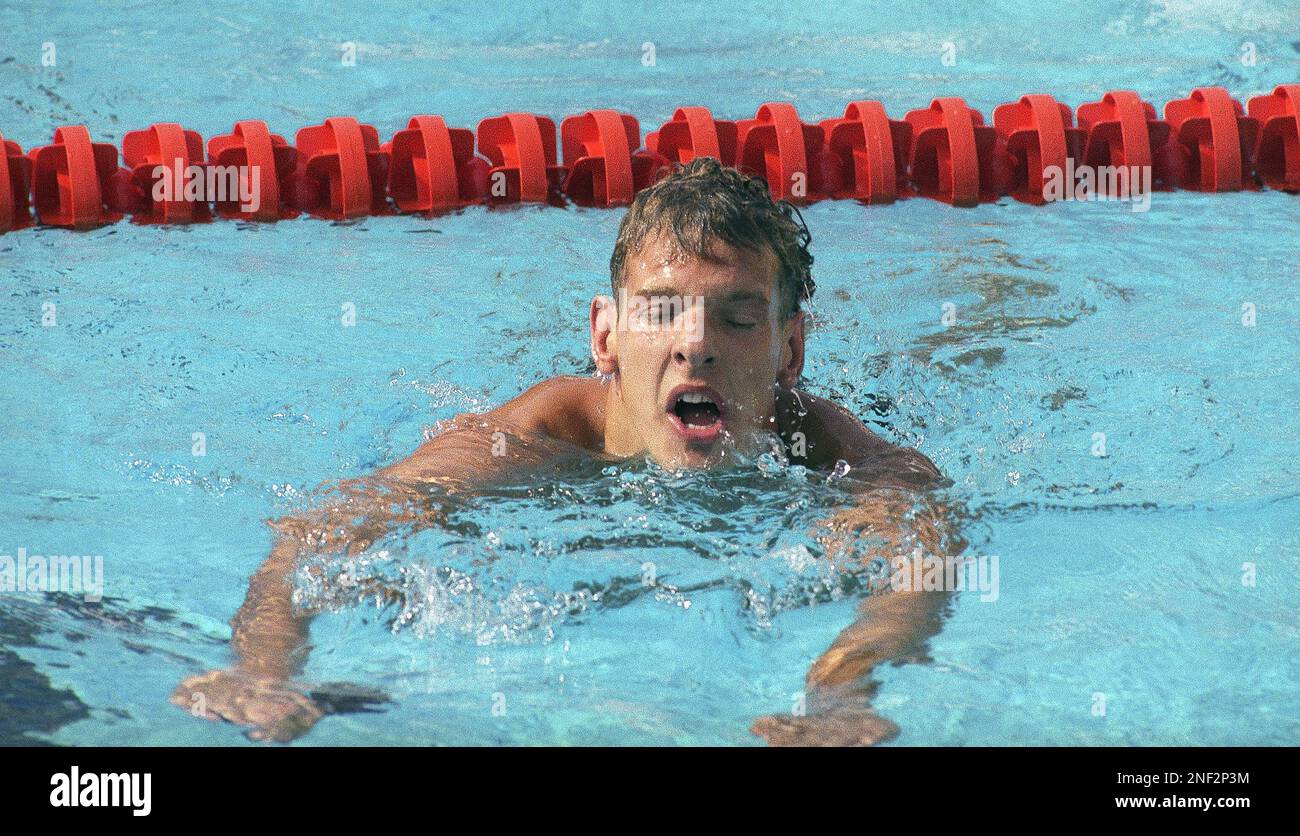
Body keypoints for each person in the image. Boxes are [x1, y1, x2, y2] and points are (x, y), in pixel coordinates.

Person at [172, 156, 960, 745]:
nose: (696, 346)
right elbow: (323, 530)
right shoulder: (534, 440)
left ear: (790, 351)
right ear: (605, 336)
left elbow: (919, 561)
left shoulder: (828, 449)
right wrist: (263, 671)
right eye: (660, 311)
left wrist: (840, 694)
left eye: (738, 318)